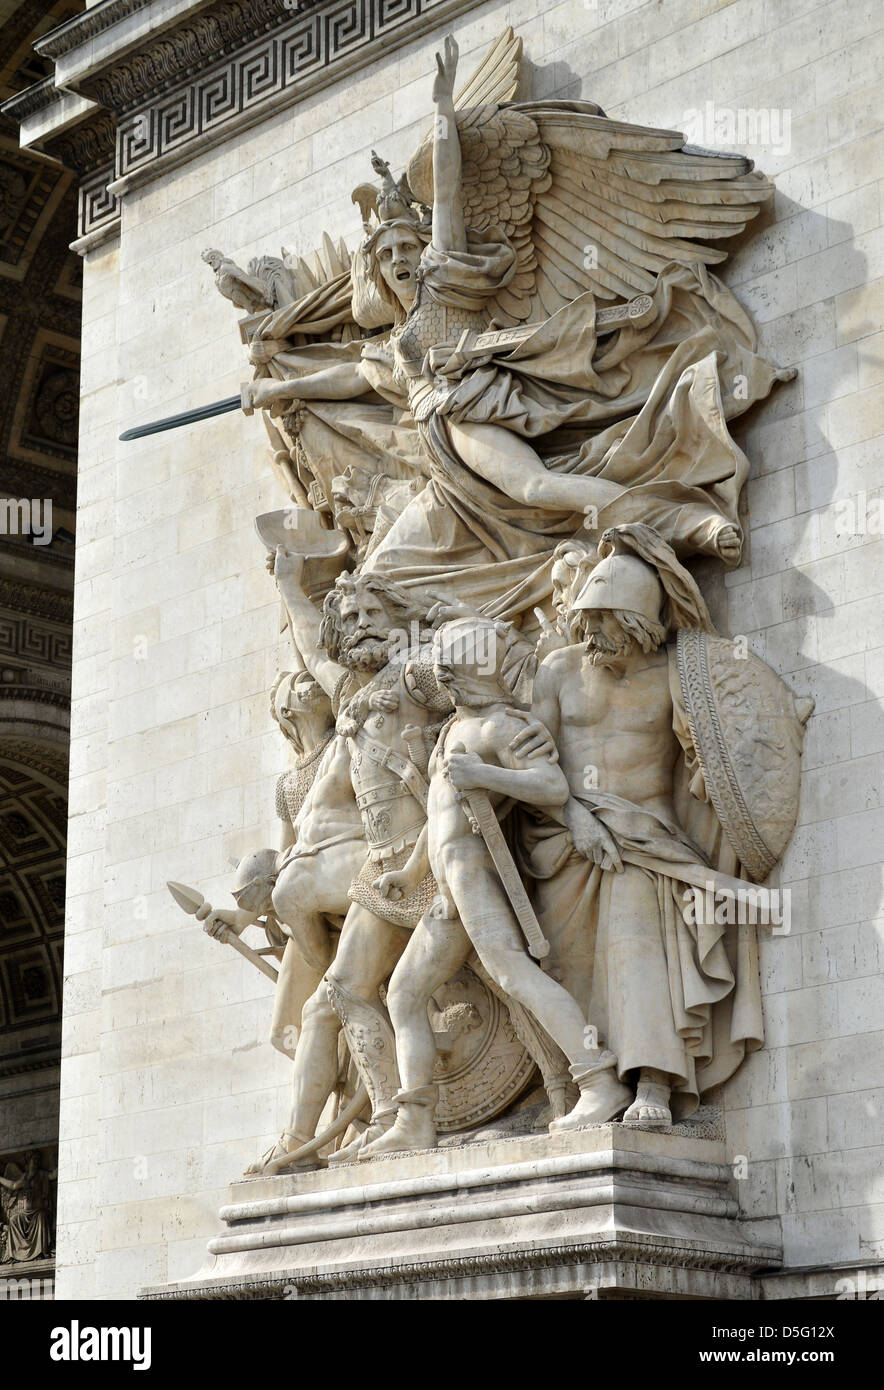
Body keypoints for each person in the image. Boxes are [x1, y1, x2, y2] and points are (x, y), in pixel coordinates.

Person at [363, 616, 631, 1156]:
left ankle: (598, 1080)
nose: (444, 681)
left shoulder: (504, 727)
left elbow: (551, 786)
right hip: (444, 886)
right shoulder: (450, 731)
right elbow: (441, 816)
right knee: (403, 992)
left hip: (475, 876)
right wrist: (410, 872)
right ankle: (415, 1119)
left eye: (450, 670)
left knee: (515, 975)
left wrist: (486, 776)